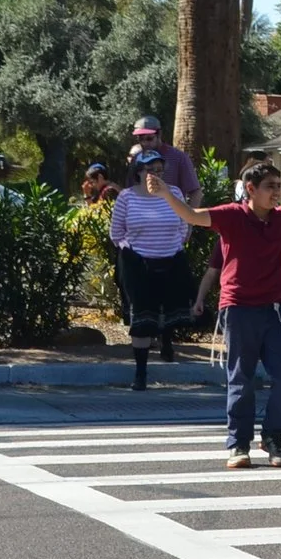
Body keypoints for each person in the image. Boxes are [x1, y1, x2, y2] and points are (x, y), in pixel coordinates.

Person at [156, 155, 281, 470]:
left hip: (278, 310)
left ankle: (273, 437)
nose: (276, 192)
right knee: (241, 377)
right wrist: (164, 194)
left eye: (279, 186)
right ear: (250, 189)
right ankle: (239, 444)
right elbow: (191, 214)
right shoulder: (231, 216)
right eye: (270, 186)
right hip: (239, 309)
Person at [110, 148, 192, 389]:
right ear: (139, 172)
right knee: (142, 316)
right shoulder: (126, 197)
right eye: (149, 170)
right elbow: (116, 234)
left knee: (169, 311)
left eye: (159, 170)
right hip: (138, 264)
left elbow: (184, 223)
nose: (155, 174)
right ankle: (141, 373)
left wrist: (176, 243)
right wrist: (131, 251)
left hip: (171, 259)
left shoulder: (174, 192)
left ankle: (167, 344)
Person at [129, 115, 199, 201]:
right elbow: (130, 189)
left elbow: (195, 192)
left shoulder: (179, 157)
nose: (144, 143)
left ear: (159, 134)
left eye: (149, 138)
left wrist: (188, 214)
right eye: (140, 139)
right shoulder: (136, 159)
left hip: (172, 212)